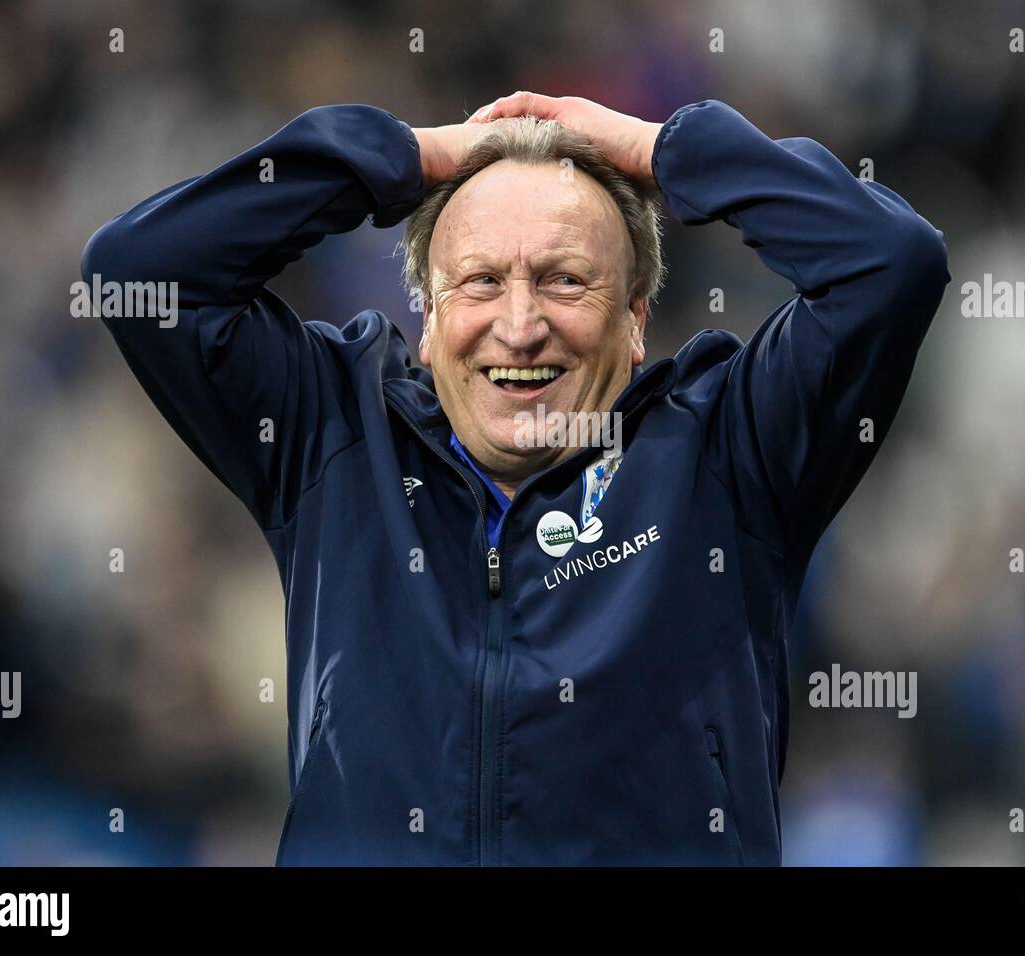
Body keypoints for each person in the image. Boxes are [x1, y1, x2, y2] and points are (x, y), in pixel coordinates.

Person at [81, 91, 949, 865]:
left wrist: (664, 150)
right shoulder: (333, 431)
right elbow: (138, 269)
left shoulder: (730, 446)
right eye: (482, 281)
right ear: (425, 317)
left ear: (637, 316)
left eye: (565, 281)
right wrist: (401, 159)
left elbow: (888, 262)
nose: (520, 325)